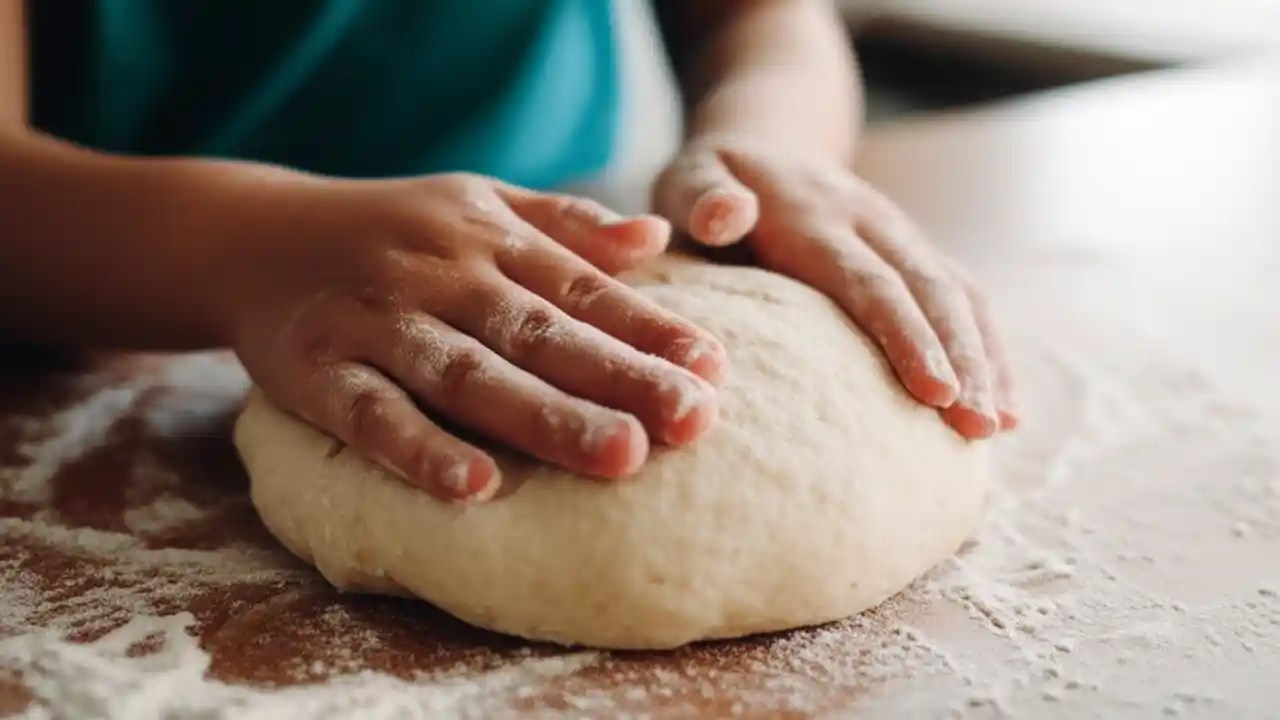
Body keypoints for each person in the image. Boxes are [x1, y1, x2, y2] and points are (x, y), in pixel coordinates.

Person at [0, 0, 1016, 503]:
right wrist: (240, 251)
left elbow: (759, 15)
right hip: (130, 297)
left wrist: (771, 144)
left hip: (576, 259)